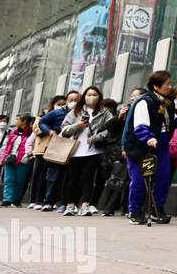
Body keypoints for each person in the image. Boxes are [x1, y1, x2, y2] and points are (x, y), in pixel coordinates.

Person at [121, 71, 177, 224]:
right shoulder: (144, 102)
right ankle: (134, 211)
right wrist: (149, 138)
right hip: (139, 146)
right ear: (156, 86)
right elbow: (140, 126)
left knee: (163, 176)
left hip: (160, 144)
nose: (170, 86)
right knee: (139, 179)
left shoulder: (167, 102)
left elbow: (172, 122)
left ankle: (157, 209)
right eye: (167, 84)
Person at [60, 87, 110, 217]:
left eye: (94, 94)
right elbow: (64, 129)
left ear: (99, 97)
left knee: (88, 179)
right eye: (89, 94)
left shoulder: (104, 112)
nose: (91, 97)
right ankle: (70, 205)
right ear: (84, 96)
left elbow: (109, 129)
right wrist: (78, 126)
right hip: (75, 150)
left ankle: (85, 205)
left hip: (93, 151)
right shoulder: (75, 111)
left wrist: (97, 137)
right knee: (73, 179)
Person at [37, 92, 76, 213]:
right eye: (70, 99)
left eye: (76, 100)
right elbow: (42, 122)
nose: (73, 102)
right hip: (58, 146)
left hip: (74, 148)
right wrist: (49, 131)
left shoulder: (82, 113)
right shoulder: (58, 112)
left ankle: (62, 203)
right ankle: (48, 202)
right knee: (53, 176)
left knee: (68, 178)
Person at [92, 98, 126, 216]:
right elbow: (107, 128)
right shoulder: (119, 116)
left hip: (124, 150)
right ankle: (106, 207)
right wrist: (119, 116)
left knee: (122, 180)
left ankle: (122, 207)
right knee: (113, 179)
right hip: (113, 152)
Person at [0, 115, 34, 206]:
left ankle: (16, 199)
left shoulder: (31, 133)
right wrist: (3, 158)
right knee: (8, 180)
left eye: (18, 119)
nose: (16, 121)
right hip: (10, 158)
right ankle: (7, 200)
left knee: (19, 181)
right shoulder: (13, 132)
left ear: (24, 121)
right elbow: (8, 146)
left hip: (23, 160)